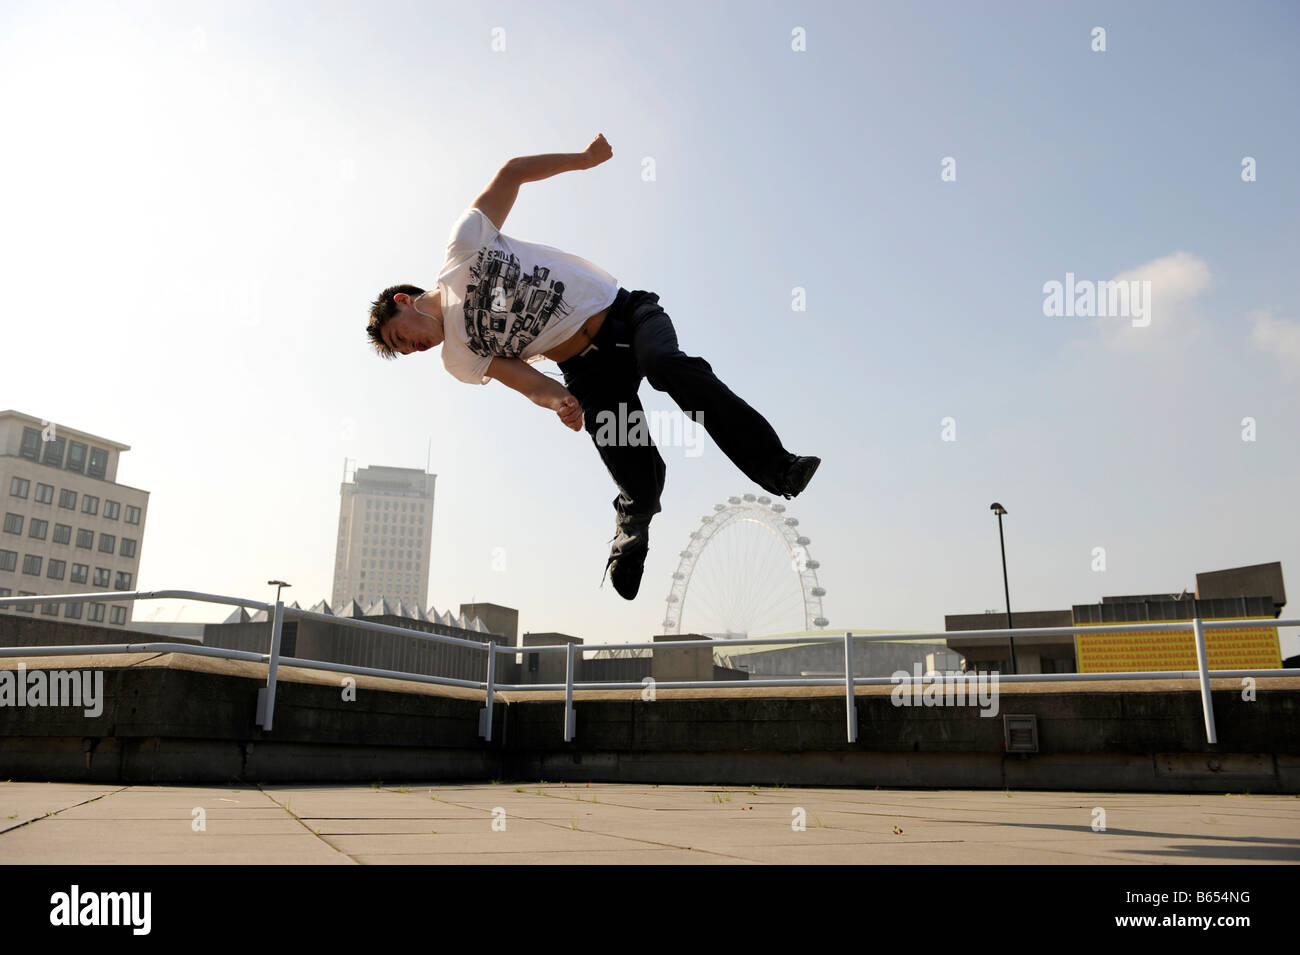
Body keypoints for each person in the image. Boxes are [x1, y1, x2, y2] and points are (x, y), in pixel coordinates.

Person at [365, 134, 820, 600]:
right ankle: (632, 527)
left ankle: (778, 467)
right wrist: (558, 400)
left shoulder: (464, 248)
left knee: (666, 365)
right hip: (585, 372)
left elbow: (512, 171)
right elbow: (523, 378)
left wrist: (583, 161)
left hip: (626, 317)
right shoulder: (458, 357)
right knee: (638, 473)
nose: (414, 348)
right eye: (405, 352)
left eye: (403, 337)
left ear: (404, 301)